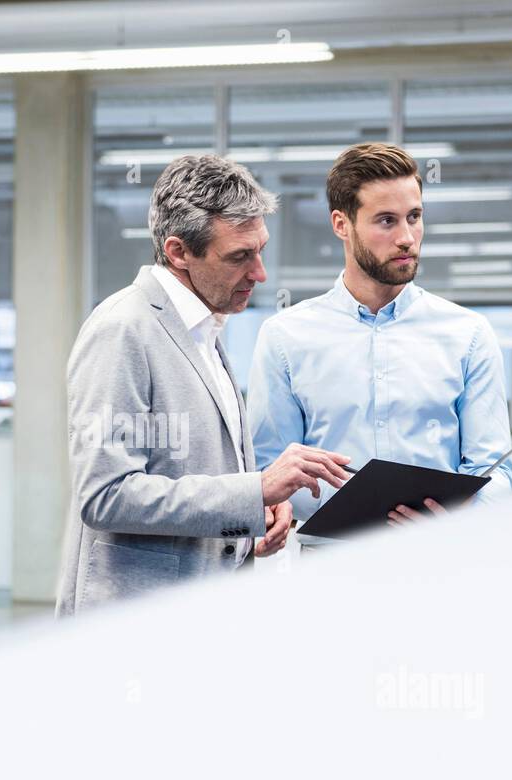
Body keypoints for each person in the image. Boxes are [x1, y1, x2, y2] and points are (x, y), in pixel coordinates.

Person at [57, 154, 350, 615]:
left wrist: (253, 520)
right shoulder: (123, 329)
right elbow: (106, 495)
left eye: (260, 250)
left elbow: (195, 478)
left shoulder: (203, 332)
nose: (260, 273)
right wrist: (253, 492)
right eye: (239, 257)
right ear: (178, 252)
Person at [248, 142, 512, 530]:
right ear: (341, 224)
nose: (407, 237)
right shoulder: (285, 337)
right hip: (330, 566)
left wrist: (456, 514)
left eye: (415, 216)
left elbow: (497, 472)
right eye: (386, 220)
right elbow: (269, 470)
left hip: (440, 562)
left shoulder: (468, 334)